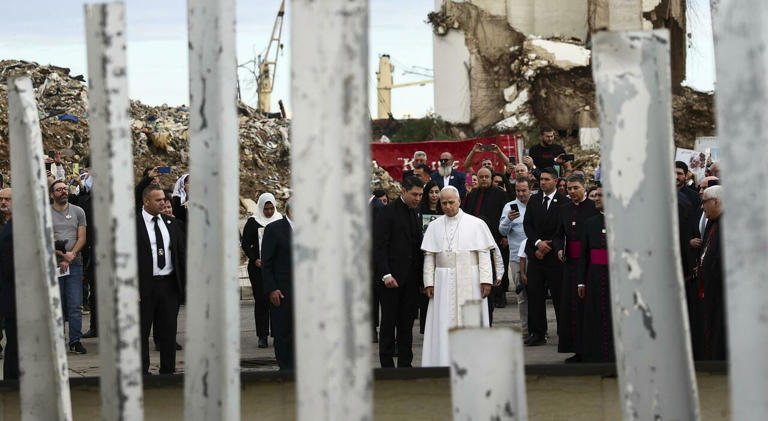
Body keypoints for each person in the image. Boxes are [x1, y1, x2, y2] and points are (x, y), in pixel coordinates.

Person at [420, 186, 497, 366]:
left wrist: (486, 280)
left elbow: (484, 254)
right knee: (443, 320)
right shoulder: (434, 226)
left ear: (459, 201)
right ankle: (443, 361)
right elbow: (429, 256)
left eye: (451, 202)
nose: (447, 206)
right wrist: (428, 283)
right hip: (443, 280)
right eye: (444, 203)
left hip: (470, 278)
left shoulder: (476, 224)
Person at [374, 176, 424, 368]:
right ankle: (386, 364)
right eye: (414, 194)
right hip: (391, 279)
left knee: (407, 323)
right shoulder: (387, 212)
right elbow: (380, 246)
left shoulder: (417, 211)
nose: (418, 198)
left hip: (411, 280)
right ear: (403, 191)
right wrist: (386, 274)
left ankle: (405, 363)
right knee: (388, 323)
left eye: (420, 195)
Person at [137, 185, 187, 375]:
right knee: (141, 331)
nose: (163, 203)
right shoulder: (133, 225)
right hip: (144, 286)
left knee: (168, 332)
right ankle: (142, 372)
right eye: (158, 200)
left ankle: (168, 371)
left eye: (164, 200)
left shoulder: (172, 224)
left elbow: (181, 255)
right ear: (146, 201)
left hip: (168, 285)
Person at [552, 175, 598, 362]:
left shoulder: (594, 208)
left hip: (589, 265)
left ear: (584, 187)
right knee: (572, 308)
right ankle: (576, 349)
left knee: (588, 307)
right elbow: (557, 235)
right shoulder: (564, 209)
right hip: (570, 265)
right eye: (569, 189)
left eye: (575, 188)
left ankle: (591, 349)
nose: (571, 192)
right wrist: (559, 249)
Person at [522, 167, 569, 346]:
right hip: (536, 255)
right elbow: (528, 225)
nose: (543, 182)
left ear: (555, 181)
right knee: (534, 295)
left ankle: (564, 333)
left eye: (547, 179)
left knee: (559, 295)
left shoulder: (563, 201)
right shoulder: (534, 200)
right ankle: (538, 333)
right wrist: (537, 243)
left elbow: (561, 228)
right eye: (541, 179)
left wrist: (549, 246)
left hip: (555, 256)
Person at [462, 167, 508, 321]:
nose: (483, 179)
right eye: (480, 177)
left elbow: (504, 216)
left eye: (486, 177)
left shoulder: (500, 194)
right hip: (473, 240)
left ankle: (498, 296)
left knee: (495, 270)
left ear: (491, 177)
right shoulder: (472, 195)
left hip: (494, 238)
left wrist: (504, 235)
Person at [50, 180, 88, 355]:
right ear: (52, 195)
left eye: (65, 188)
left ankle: (75, 340)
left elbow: (81, 237)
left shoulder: (78, 211)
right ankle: (58, 340)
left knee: (74, 304)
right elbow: (44, 239)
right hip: (53, 265)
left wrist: (71, 255)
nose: (63, 191)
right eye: (59, 190)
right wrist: (61, 254)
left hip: (74, 263)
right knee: (57, 305)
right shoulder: (46, 213)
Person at [241, 193, 283, 349]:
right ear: (260, 207)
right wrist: (254, 258)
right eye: (266, 209)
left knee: (277, 300)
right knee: (261, 301)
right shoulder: (253, 222)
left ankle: (278, 333)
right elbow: (245, 242)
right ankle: (262, 335)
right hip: (258, 268)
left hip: (276, 268)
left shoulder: (280, 220)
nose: (269, 212)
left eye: (271, 208)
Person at [577, 187, 614, 362]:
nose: (596, 199)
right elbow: (583, 255)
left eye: (600, 196)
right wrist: (581, 282)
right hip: (594, 278)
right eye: (596, 195)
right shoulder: (590, 222)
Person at [691, 186, 726, 360]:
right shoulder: (714, 222)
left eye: (704, 202)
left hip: (721, 294)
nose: (702, 207)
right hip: (709, 292)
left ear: (716, 201)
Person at [262, 200, 295, 370]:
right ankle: (286, 368)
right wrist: (271, 289)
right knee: (283, 332)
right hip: (282, 291)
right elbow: (266, 263)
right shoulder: (274, 230)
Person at [499, 177, 532, 337]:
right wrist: (508, 220)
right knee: (522, 296)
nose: (521, 194)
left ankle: (539, 329)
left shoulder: (536, 204)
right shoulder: (509, 207)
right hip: (516, 259)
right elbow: (502, 231)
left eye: (524, 190)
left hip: (536, 257)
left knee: (537, 295)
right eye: (518, 190)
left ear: (530, 189)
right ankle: (526, 331)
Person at [0, 189, 19, 379]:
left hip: (15, 294)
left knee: (16, 345)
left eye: (7, 199)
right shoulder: (8, 225)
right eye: (1, 199)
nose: (3, 202)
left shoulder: (16, 226)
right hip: (9, 295)